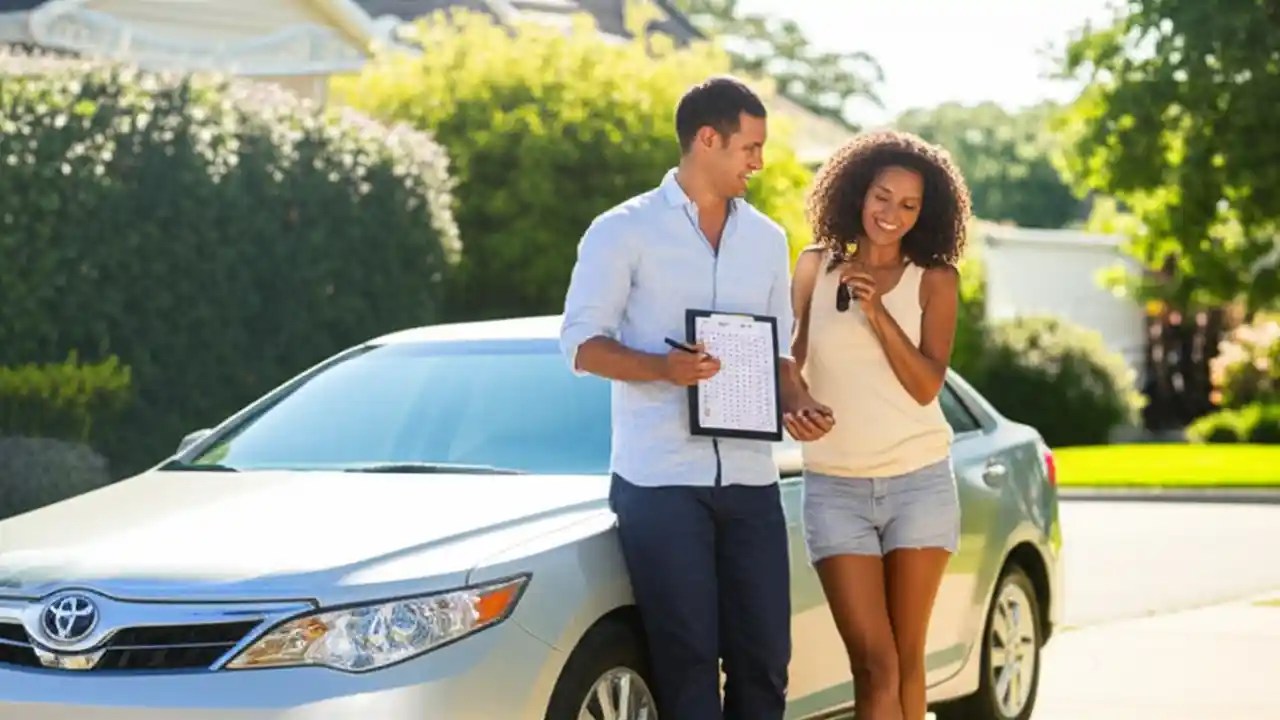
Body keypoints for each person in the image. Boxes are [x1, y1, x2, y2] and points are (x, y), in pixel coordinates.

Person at [559, 75, 834, 720]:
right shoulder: (621, 230)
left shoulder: (766, 239)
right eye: (750, 148)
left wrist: (797, 401)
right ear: (707, 139)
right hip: (660, 484)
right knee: (686, 665)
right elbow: (580, 346)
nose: (759, 162)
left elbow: (779, 354)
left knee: (765, 662)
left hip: (749, 481)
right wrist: (663, 369)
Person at [785, 129, 972, 720]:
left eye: (909, 205)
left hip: (919, 484)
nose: (892, 214)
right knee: (873, 663)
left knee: (907, 658)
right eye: (882, 197)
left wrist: (876, 311)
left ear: (926, 214)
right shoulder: (815, 267)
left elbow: (925, 386)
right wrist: (796, 404)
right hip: (835, 489)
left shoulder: (935, 280)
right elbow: (792, 362)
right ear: (858, 193)